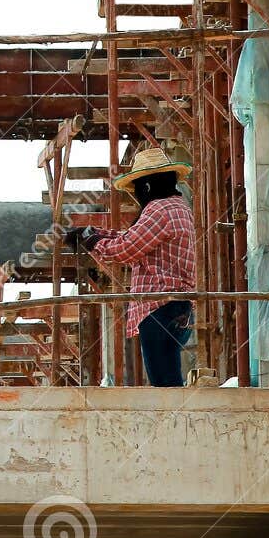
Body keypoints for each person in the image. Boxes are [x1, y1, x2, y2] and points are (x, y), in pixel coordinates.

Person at [77, 146, 196, 387]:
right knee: (170, 379)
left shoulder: (158, 209)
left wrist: (93, 243)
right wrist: (99, 234)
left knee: (164, 384)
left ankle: (174, 412)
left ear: (147, 186)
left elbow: (125, 250)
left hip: (159, 307)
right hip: (180, 304)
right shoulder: (179, 208)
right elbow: (135, 237)